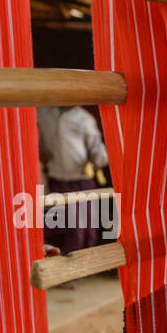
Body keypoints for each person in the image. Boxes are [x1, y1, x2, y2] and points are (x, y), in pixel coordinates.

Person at [36, 105, 111, 255]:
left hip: (83, 180)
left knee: (90, 227)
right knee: (74, 225)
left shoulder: (84, 119)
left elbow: (98, 149)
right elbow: (32, 130)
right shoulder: (43, 112)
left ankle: (88, 264)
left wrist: (96, 162)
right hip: (58, 179)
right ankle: (71, 264)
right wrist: (39, 151)